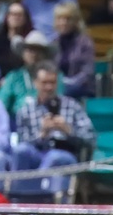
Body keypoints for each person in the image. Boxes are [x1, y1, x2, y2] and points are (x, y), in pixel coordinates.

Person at [12, 63, 95, 197]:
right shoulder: (26, 110)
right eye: (44, 83)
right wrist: (42, 134)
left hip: (65, 152)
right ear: (35, 83)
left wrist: (68, 130)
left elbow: (90, 137)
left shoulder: (72, 106)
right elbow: (22, 141)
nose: (49, 87)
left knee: (54, 157)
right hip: (37, 152)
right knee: (20, 151)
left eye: (52, 82)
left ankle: (37, 198)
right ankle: (16, 196)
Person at [0, 30, 50, 114]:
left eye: (38, 50)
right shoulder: (13, 76)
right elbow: (0, 104)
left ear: (45, 55)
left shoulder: (54, 76)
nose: (34, 54)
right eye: (30, 50)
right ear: (23, 53)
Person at [50, 2, 96, 99]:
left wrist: (69, 82)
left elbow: (88, 72)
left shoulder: (85, 42)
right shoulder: (53, 43)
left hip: (81, 87)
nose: (64, 23)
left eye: (68, 19)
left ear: (75, 21)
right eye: (60, 19)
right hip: (59, 86)